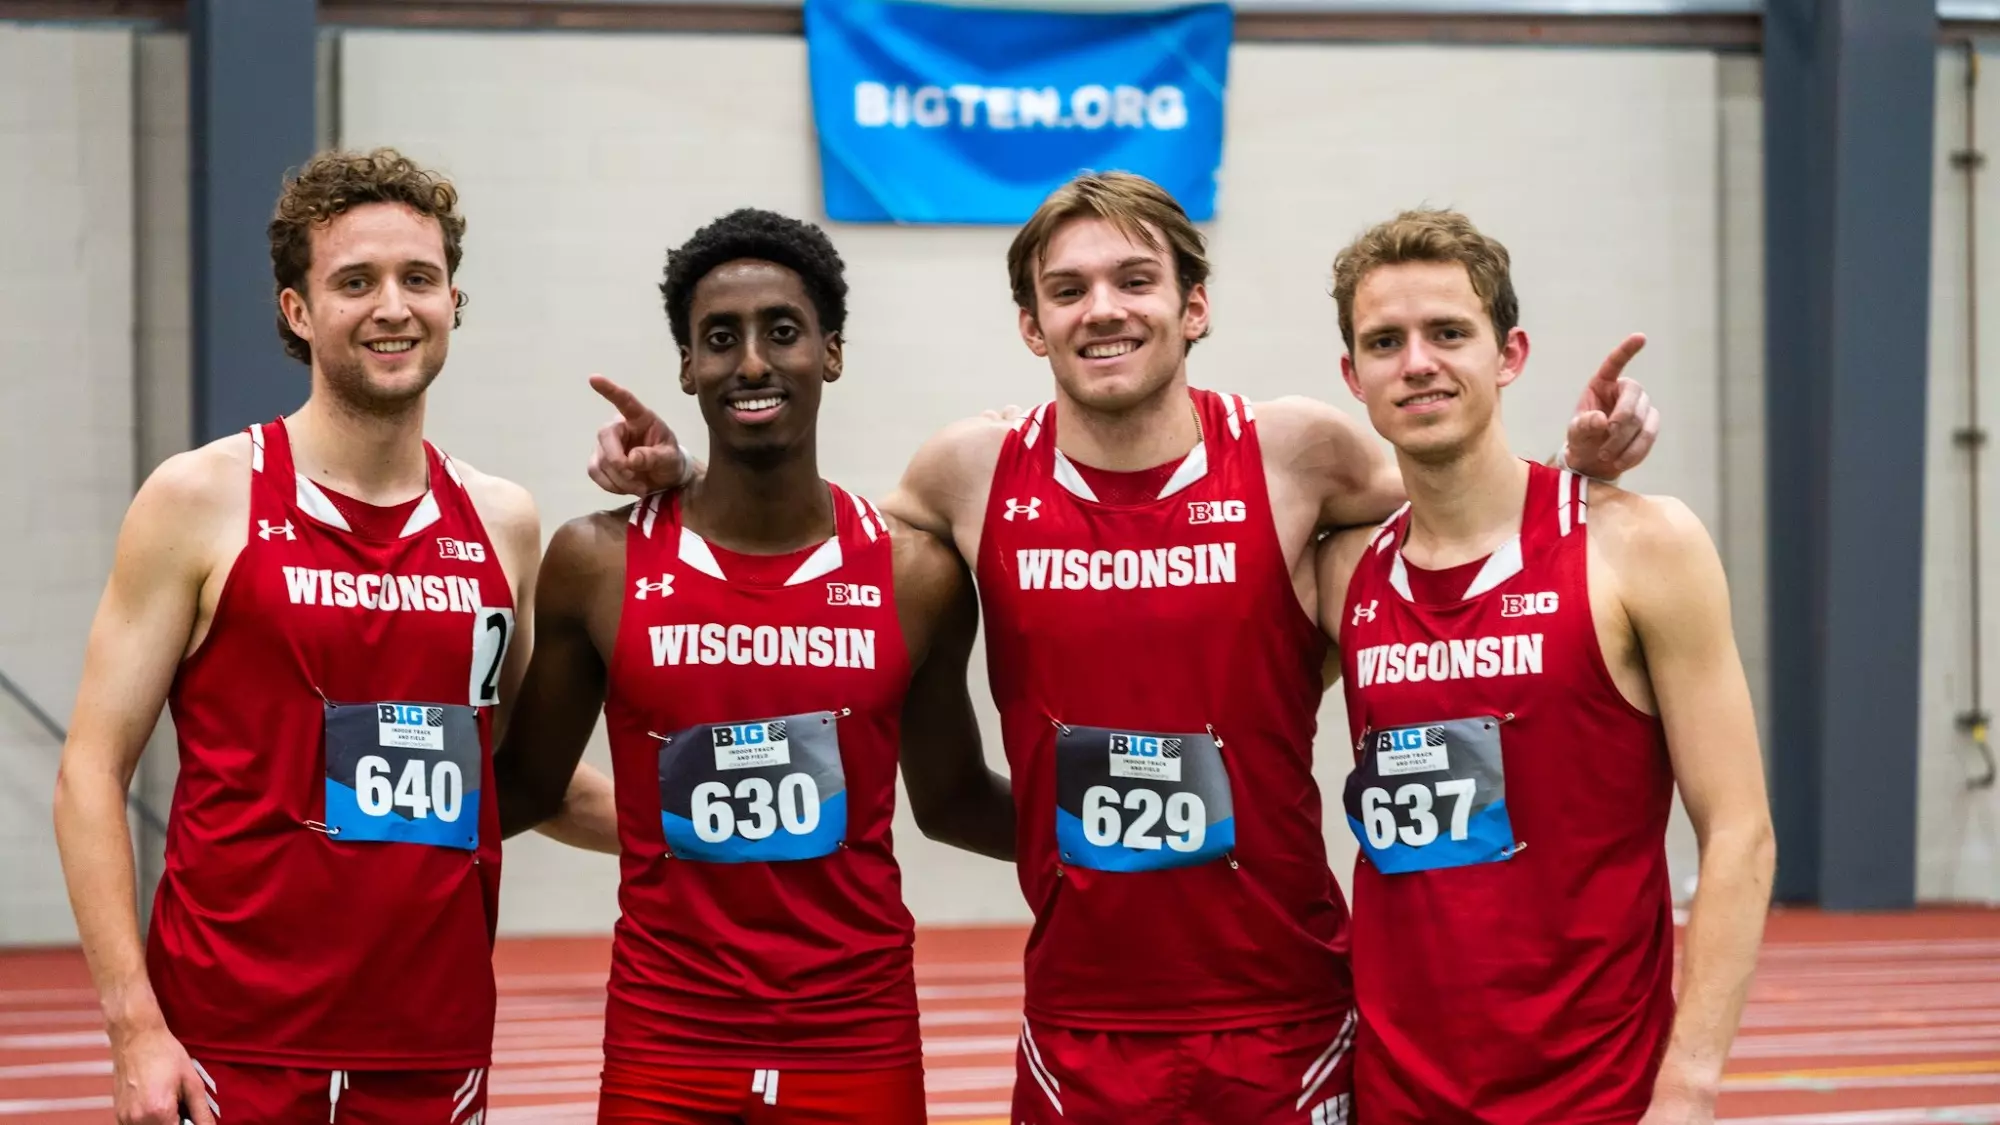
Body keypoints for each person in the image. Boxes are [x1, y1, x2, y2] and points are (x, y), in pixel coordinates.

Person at [584, 172, 1660, 1123]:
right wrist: (690, 477)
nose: (1103, 309)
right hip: (1080, 1027)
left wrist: (1567, 470)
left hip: (1286, 1011)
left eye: (1133, 280)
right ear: (1029, 325)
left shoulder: (1294, 452)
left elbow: (1460, 502)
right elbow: (804, 535)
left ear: (1193, 307)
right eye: (1067, 289)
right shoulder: (967, 474)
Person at [52, 148, 608, 1125]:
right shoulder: (200, 498)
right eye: (355, 282)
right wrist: (134, 1027)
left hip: (432, 1045)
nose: (392, 306)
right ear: (297, 311)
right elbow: (90, 773)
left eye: (418, 279)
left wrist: (718, 825)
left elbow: (523, 774)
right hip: (229, 1042)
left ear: (452, 302)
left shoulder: (502, 520)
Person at [495, 208, 1012, 1125]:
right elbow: (524, 787)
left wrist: (1137, 837)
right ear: (688, 368)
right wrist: (328, 832)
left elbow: (956, 801)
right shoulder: (595, 563)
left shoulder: (916, 574)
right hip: (668, 1038)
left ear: (832, 351)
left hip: (856, 1033)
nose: (753, 363)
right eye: (720, 339)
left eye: (783, 331)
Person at [1317, 208, 1774, 1124]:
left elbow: (1738, 830)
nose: (1417, 361)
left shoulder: (1641, 545)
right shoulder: (1343, 572)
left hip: (1599, 1093)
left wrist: (1689, 1083)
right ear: (1353, 375)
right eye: (1385, 341)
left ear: (1509, 353)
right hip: (1396, 1092)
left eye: (1449, 332)